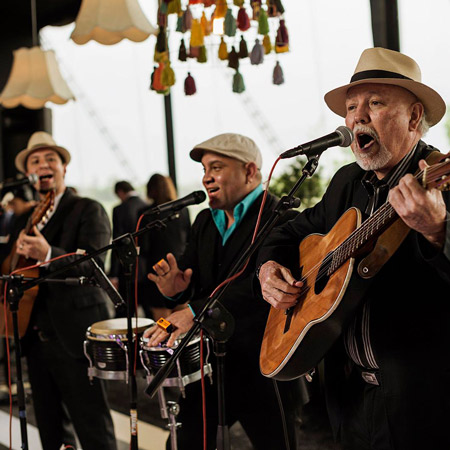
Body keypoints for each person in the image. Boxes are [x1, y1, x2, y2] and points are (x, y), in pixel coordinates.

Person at [256, 47, 450, 450]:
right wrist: (269, 266)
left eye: (375, 103)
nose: (357, 117)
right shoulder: (346, 183)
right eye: (351, 107)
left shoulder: (440, 182)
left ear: (414, 117)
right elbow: (288, 233)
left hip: (423, 405)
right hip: (346, 401)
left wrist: (438, 231)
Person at [144, 133, 302, 450]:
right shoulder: (204, 219)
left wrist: (192, 311)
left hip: (266, 367)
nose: (206, 177)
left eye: (216, 167)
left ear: (250, 171)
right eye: (204, 168)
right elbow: (191, 278)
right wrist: (175, 290)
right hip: (213, 366)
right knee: (183, 443)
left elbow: (260, 290)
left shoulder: (280, 217)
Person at [1, 131, 117, 449]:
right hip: (33, 336)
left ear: (64, 167)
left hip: (75, 335)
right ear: (29, 174)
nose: (43, 165)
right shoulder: (25, 217)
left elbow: (95, 267)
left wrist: (48, 253)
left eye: (50, 158)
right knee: (50, 427)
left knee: (92, 424)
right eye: (35, 161)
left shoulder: (87, 209)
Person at [136, 174, 190, 320]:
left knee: (162, 322)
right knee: (181, 318)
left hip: (157, 270)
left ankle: (165, 343)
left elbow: (144, 247)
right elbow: (189, 239)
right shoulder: (183, 210)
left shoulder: (147, 214)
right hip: (180, 268)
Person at [109, 180, 146, 298]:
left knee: (127, 309)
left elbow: (118, 241)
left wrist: (113, 274)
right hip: (146, 266)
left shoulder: (119, 209)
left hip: (127, 266)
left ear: (120, 192)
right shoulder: (147, 205)